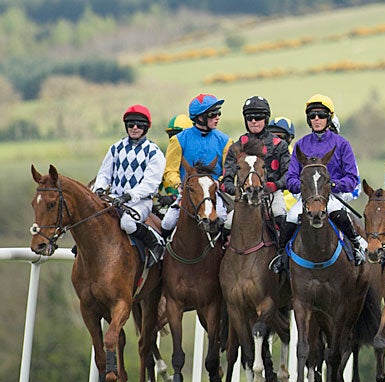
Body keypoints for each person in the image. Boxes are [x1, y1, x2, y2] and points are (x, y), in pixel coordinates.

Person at [271, 94, 366, 272]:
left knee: (338, 212)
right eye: (312, 116)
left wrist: (334, 185)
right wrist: (304, 188)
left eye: (321, 115)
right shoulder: (301, 145)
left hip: (332, 195)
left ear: (328, 118)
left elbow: (352, 178)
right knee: (290, 218)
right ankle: (280, 257)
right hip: (307, 196)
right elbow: (291, 177)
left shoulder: (342, 144)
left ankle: (356, 248)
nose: (316, 119)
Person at [94, 105, 166, 264]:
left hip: (140, 202)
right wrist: (99, 188)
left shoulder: (154, 152)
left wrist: (129, 195)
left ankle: (155, 243)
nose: (134, 128)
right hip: (114, 198)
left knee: (127, 223)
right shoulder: (115, 148)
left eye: (139, 125)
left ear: (146, 127)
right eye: (131, 124)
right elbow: (104, 173)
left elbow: (150, 184)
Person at [220, 96, 291, 243]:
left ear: (265, 118)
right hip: (244, 197)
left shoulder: (280, 145)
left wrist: (275, 185)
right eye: (250, 117)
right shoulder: (237, 147)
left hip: (272, 194)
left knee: (280, 215)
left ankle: (284, 258)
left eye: (258, 117)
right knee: (226, 224)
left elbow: (288, 174)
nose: (253, 121)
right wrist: (235, 190)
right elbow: (226, 179)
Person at [161, 93, 231, 234]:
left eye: (219, 113)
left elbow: (228, 171)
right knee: (167, 222)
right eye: (213, 114)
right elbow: (170, 170)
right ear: (200, 117)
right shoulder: (178, 140)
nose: (217, 117)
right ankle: (162, 253)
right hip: (188, 192)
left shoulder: (225, 141)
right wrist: (179, 185)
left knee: (223, 218)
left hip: (213, 192)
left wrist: (218, 183)